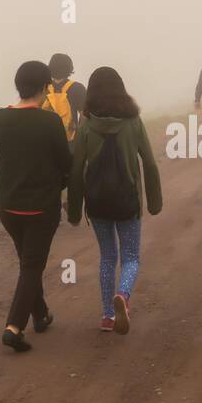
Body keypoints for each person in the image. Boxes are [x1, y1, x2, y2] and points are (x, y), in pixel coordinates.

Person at [0, 60, 72, 352]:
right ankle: (14, 327)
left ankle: (40, 315)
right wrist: (61, 186)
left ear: (18, 86)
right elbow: (67, 165)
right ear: (45, 87)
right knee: (31, 266)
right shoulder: (50, 122)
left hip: (8, 208)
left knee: (28, 263)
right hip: (41, 209)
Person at [68, 67, 163, 334]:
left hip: (97, 201)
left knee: (107, 256)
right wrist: (155, 202)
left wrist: (74, 211)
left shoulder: (86, 123)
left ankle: (108, 316)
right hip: (127, 200)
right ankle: (123, 295)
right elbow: (150, 163)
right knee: (131, 257)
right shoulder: (133, 120)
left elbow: (76, 170)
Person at [41, 53, 86, 142]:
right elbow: (83, 115)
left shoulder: (43, 87)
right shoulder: (78, 87)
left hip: (44, 139)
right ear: (70, 68)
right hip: (70, 141)